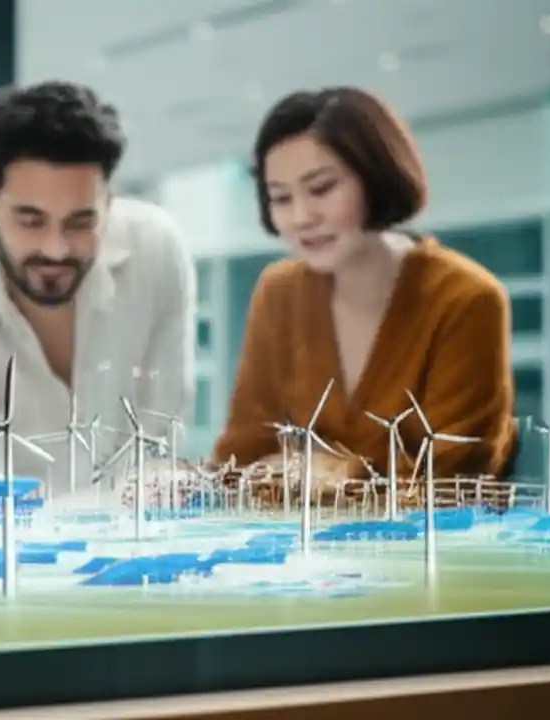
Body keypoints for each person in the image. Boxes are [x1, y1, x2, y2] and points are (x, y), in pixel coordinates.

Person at [0, 81, 197, 497]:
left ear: (109, 202)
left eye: (81, 222)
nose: (56, 248)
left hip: (110, 547)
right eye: (31, 220)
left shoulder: (156, 252)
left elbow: (157, 444)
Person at [213, 87, 517, 493]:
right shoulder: (279, 291)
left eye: (321, 189)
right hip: (299, 547)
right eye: (281, 198)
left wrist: (336, 473)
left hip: (429, 550)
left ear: (375, 176)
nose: (302, 216)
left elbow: (455, 480)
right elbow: (243, 457)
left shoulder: (467, 298)